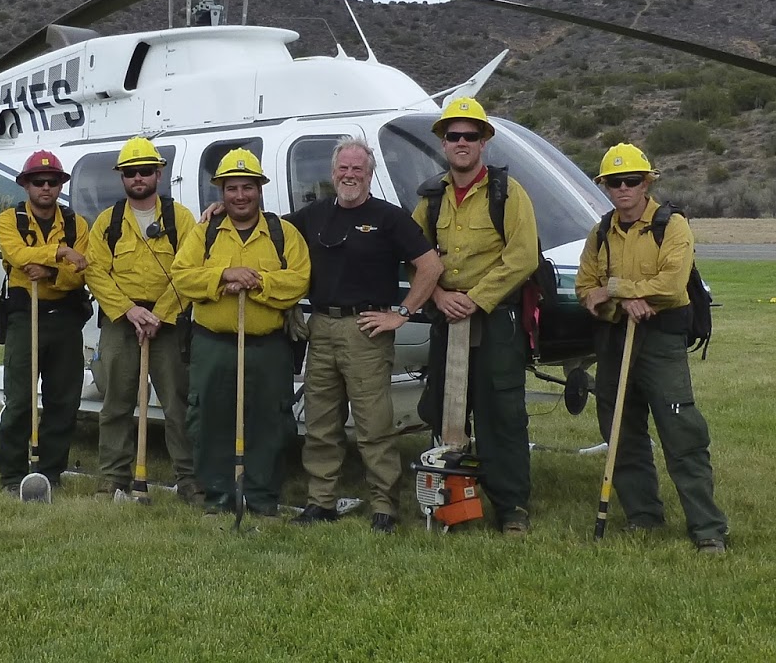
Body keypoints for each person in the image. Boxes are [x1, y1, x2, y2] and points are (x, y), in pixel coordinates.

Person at [574, 143, 729, 553]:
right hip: (612, 338)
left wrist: (619, 289)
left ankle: (708, 528)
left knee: (681, 431)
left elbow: (671, 285)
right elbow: (584, 289)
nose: (623, 189)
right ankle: (644, 516)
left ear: (646, 183)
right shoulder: (601, 231)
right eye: (614, 182)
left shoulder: (671, 225)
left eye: (632, 181)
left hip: (660, 339)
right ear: (604, 186)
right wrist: (615, 300)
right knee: (620, 430)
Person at [286, 137, 442, 533]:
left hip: (366, 330)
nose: (350, 175)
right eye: (344, 168)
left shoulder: (389, 218)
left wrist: (402, 313)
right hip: (320, 327)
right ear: (333, 172)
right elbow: (270, 234)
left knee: (374, 425)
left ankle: (384, 507)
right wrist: (218, 211)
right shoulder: (312, 216)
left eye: (358, 169)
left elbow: (430, 267)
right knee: (321, 422)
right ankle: (320, 502)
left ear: (370, 174)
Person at [412, 97, 540, 535]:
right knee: (443, 411)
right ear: (443, 143)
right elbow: (414, 254)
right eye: (453, 135)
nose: (462, 142)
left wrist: (476, 298)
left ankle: (511, 508)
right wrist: (442, 294)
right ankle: (450, 502)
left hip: (495, 323)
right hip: (447, 321)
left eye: (471, 135)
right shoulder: (430, 199)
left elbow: (522, 257)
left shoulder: (509, 194)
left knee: (501, 413)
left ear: (484, 141)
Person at [170, 148, 309, 517]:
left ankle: (263, 497)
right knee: (210, 418)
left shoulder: (283, 233)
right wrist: (223, 276)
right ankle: (218, 496)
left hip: (268, 347)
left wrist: (257, 282)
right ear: (221, 191)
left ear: (260, 189)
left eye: (248, 187)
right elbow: (182, 275)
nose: (240, 195)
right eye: (232, 188)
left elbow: (299, 280)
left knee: (270, 420)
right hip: (213, 345)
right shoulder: (206, 232)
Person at [83, 137, 200, 504]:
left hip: (167, 323)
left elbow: (190, 269)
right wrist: (130, 311)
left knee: (177, 403)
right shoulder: (108, 221)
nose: (138, 178)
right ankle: (113, 478)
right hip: (121, 320)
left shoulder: (180, 218)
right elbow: (96, 272)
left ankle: (189, 480)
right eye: (130, 173)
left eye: (145, 171)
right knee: (116, 402)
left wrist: (159, 315)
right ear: (122, 178)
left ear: (158, 174)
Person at [0, 150, 91, 495]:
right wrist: (60, 254)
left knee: (63, 400)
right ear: (26, 185)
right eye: (38, 182)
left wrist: (50, 272)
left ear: (60, 186)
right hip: (24, 316)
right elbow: (17, 255)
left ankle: (50, 472)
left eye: (52, 182)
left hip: (65, 317)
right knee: (19, 399)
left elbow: (80, 275)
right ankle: (11, 475)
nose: (46, 188)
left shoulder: (77, 224)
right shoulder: (10, 220)